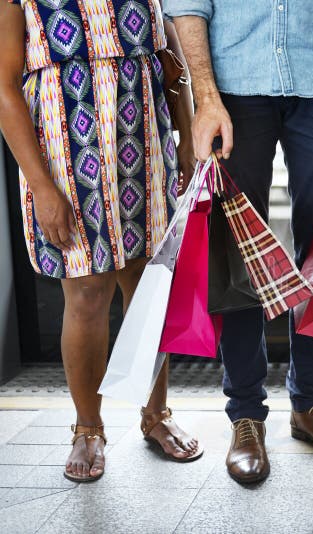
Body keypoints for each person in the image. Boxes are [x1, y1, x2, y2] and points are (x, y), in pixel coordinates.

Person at [164, 0, 313, 483]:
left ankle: (311, 402)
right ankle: (245, 413)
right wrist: (205, 97)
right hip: (233, 83)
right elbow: (188, 4)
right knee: (238, 251)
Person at [0, 0, 202, 482]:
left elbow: (169, 50)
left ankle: (156, 414)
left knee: (148, 285)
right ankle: (87, 427)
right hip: (65, 149)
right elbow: (4, 85)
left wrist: (188, 135)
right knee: (87, 291)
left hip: (145, 135)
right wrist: (41, 184)